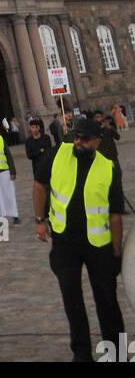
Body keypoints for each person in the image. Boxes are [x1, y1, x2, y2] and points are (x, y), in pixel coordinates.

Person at [34, 116, 125, 363]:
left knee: (107, 300)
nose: (78, 142)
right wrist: (39, 220)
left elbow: (116, 215)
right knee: (71, 298)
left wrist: (116, 252)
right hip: (65, 242)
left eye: (85, 139)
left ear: (97, 141)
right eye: (76, 136)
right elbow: (40, 184)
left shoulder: (108, 168)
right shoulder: (59, 153)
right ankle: (81, 352)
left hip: (99, 245)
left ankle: (116, 351)